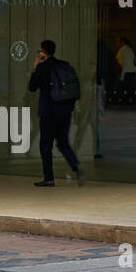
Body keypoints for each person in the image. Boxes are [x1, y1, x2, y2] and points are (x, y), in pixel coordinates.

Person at [27, 40, 84, 187]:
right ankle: (76, 166)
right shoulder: (64, 65)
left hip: (48, 112)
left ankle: (49, 178)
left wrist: (35, 67)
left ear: (43, 53)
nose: (38, 53)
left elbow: (32, 87)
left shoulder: (42, 68)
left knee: (46, 144)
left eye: (39, 51)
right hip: (64, 111)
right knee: (63, 143)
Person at [116, 35, 136, 104]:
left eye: (117, 41)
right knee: (130, 88)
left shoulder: (122, 50)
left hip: (126, 72)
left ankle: (125, 102)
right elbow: (134, 61)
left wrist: (122, 76)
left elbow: (123, 64)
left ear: (122, 42)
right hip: (132, 72)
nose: (116, 43)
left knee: (124, 89)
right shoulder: (130, 49)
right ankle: (131, 101)